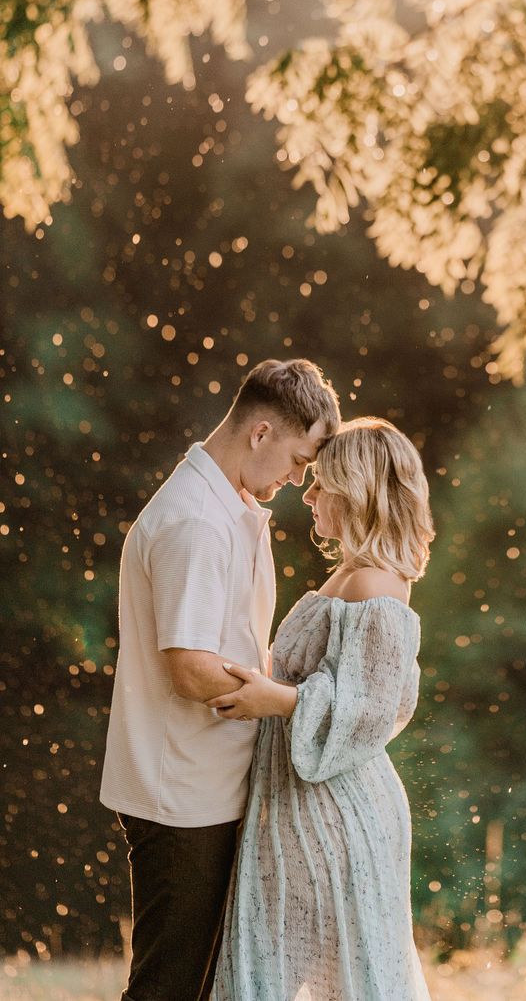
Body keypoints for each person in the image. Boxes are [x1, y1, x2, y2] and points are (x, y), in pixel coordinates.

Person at [99, 358, 341, 1001]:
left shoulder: (225, 502)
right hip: (183, 791)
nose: (297, 478)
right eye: (297, 458)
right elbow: (190, 668)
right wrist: (280, 701)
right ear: (261, 433)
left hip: (205, 780)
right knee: (167, 987)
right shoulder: (195, 521)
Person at [206, 416, 437, 1001]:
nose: (307, 494)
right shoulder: (351, 574)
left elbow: (372, 709)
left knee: (334, 980)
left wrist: (273, 699)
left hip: (337, 810)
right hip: (301, 803)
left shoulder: (378, 587)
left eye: (321, 484)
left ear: (356, 491)